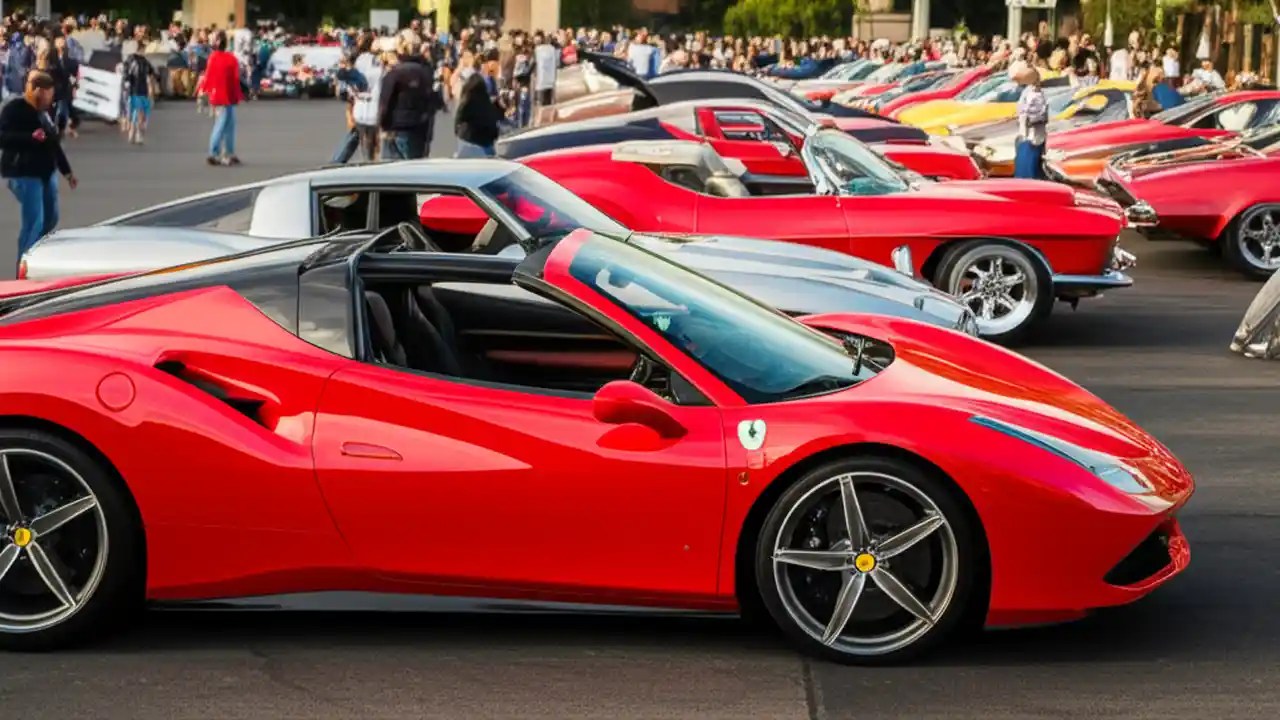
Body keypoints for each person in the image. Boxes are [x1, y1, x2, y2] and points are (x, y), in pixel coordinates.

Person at [0, 72, 77, 273]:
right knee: (34, 221)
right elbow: (3, 137)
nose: (50, 100)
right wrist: (29, 137)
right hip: (23, 172)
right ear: (36, 91)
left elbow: (53, 143)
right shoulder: (13, 110)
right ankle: (23, 269)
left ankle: (35, 254)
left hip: (46, 171)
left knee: (51, 217)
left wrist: (67, 172)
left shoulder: (45, 113)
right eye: (47, 95)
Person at [377, 32, 440, 159]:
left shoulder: (395, 73)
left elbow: (385, 103)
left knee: (391, 171)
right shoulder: (427, 71)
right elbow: (433, 102)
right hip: (419, 128)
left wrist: (382, 125)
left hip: (397, 128)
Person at [200, 31, 243, 165]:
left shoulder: (213, 58)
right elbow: (235, 79)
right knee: (226, 124)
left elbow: (208, 78)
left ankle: (225, 152)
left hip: (217, 96)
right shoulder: (231, 58)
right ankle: (218, 153)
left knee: (225, 123)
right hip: (227, 96)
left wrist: (204, 93)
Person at [454, 48, 502, 158]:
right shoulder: (485, 97)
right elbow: (493, 118)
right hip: (484, 139)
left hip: (468, 138)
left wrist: (457, 129)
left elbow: (459, 116)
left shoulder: (467, 99)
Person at [1013, 66, 1048, 180]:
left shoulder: (1036, 93)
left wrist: (1027, 118)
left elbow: (1038, 115)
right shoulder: (1028, 91)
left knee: (1028, 170)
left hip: (1033, 138)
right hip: (1027, 136)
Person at [122, 41, 159, 144]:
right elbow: (152, 73)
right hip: (137, 89)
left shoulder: (140, 61)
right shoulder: (135, 60)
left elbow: (152, 73)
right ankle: (136, 133)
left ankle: (134, 133)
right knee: (139, 113)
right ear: (140, 49)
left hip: (139, 89)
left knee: (139, 112)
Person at [532, 31, 557, 109]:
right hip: (550, 81)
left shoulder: (537, 50)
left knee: (539, 105)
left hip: (540, 82)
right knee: (547, 105)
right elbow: (555, 64)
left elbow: (534, 65)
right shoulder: (552, 49)